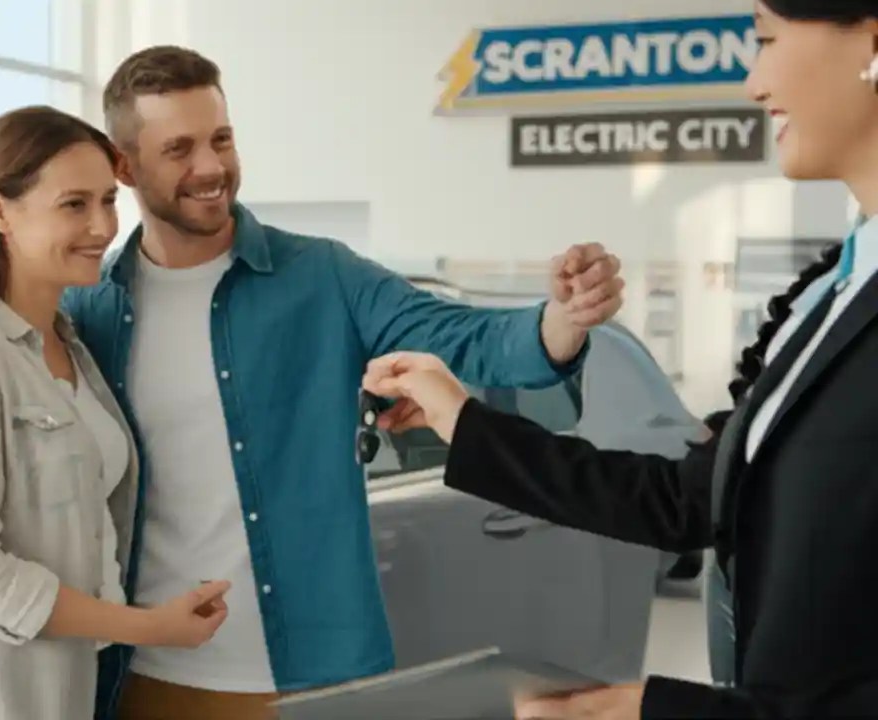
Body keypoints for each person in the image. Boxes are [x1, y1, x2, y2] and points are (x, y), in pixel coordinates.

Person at [0, 46, 626, 719]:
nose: (210, 167)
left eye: (222, 139)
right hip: (138, 673)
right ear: (127, 166)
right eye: (178, 148)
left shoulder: (323, 278)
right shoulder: (86, 312)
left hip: (311, 673)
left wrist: (561, 318)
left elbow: (468, 339)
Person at [362, 3, 878, 715]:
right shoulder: (837, 292)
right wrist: (464, 420)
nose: (754, 83)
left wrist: (652, 712)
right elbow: (682, 501)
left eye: (766, 41)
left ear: (872, 42)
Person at [0, 105, 231, 720]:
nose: (102, 226)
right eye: (74, 204)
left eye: (108, 200)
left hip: (68, 685)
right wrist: (146, 627)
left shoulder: (71, 344)